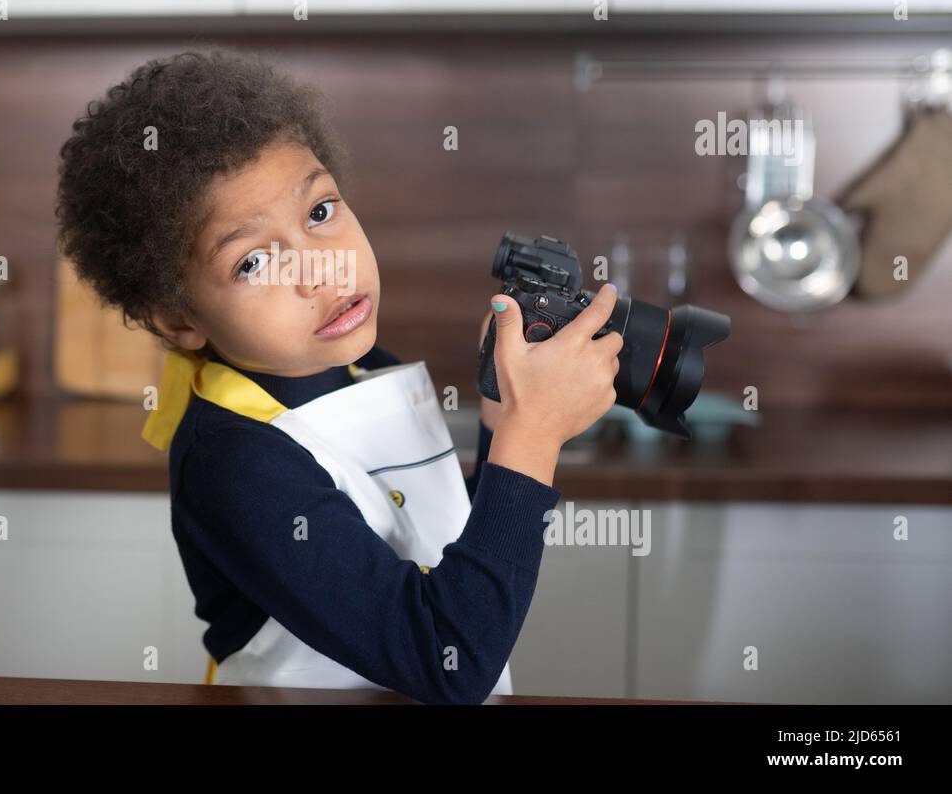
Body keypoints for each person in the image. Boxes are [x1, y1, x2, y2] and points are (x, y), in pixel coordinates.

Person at [55, 48, 622, 705]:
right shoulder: (235, 462)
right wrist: (535, 438)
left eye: (320, 213)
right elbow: (448, 657)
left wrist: (503, 420)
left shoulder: (357, 367)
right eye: (253, 263)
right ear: (181, 321)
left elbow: (443, 544)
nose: (321, 270)